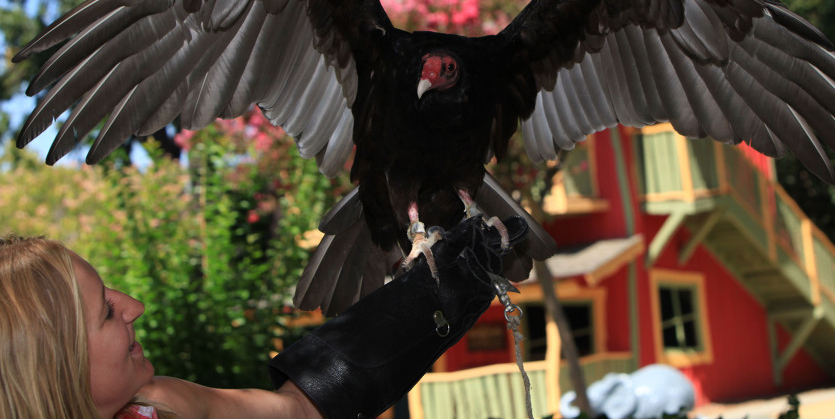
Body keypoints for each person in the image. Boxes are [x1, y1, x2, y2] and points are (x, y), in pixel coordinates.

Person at [0, 216, 525, 419]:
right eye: (106, 312)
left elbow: (296, 413)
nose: (134, 306)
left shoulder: (156, 403)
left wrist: (423, 301)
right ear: (56, 364)